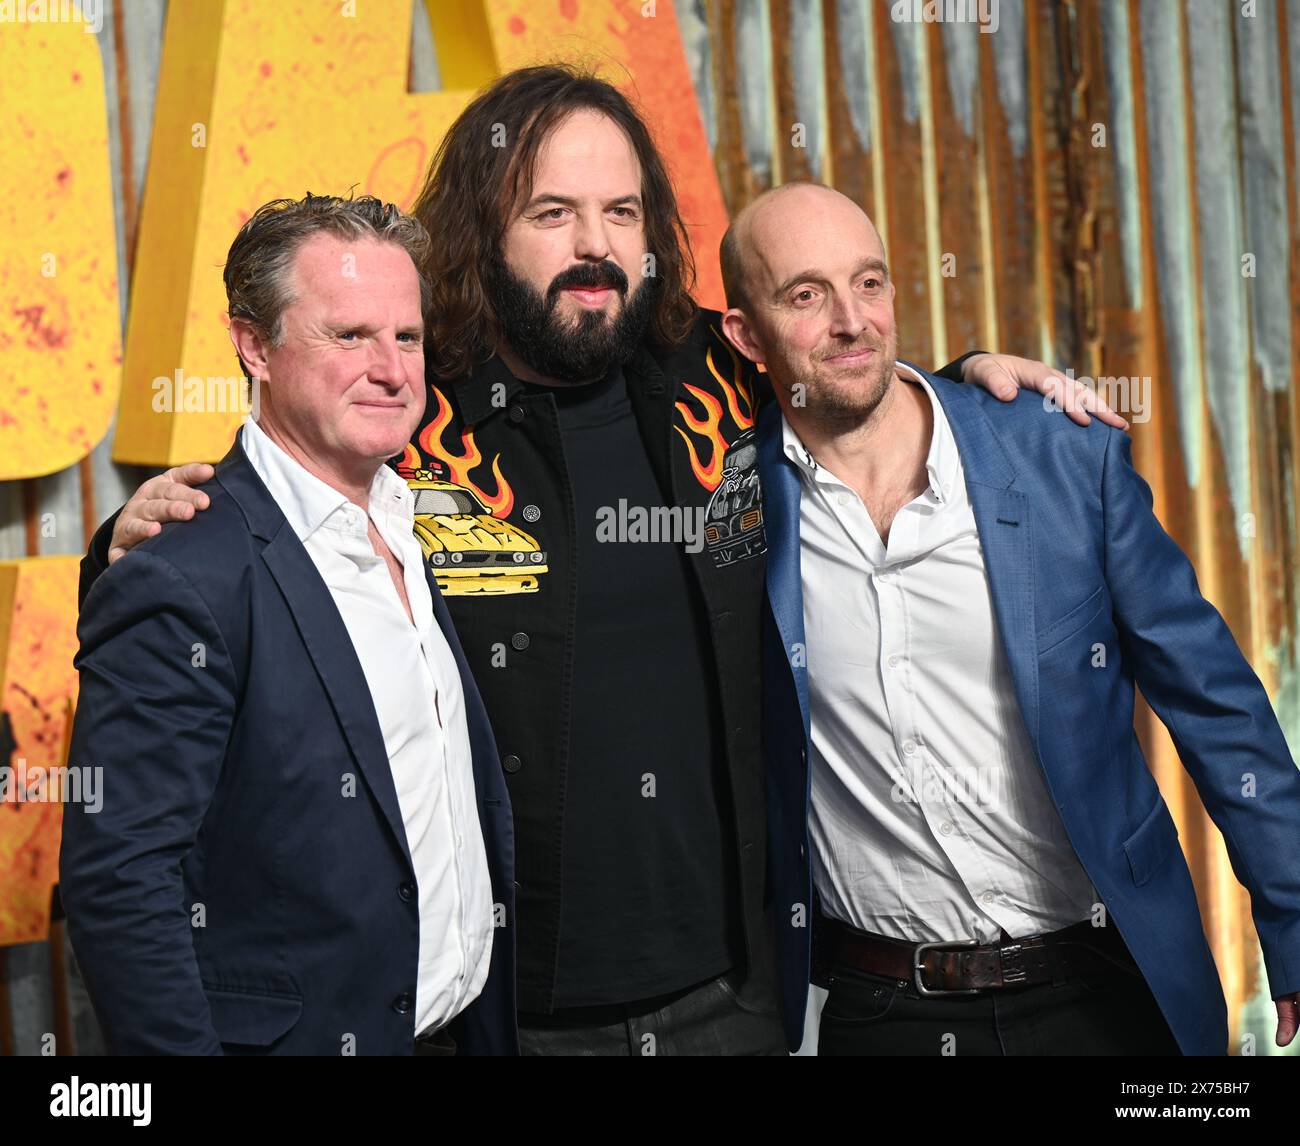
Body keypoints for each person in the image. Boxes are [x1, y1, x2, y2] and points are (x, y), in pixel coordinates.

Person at [82, 66, 1123, 1056]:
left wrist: (969, 389)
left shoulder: (719, 375)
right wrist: (121, 544)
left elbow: (844, 370)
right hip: (504, 1012)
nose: (594, 245)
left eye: (621, 213)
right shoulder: (405, 396)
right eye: (552, 214)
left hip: (728, 995)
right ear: (485, 229)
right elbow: (269, 535)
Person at [721, 181, 1300, 1055]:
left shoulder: (1063, 459)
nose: (851, 320)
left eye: (869, 283)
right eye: (805, 296)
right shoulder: (728, 502)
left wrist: (1293, 919)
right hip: (883, 1013)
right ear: (743, 333)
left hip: (1106, 988)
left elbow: (1219, 706)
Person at [61, 194, 516, 1056]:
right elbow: (120, 885)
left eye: (408, 338)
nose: (392, 369)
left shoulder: (417, 523)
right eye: (348, 336)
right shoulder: (182, 570)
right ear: (253, 345)